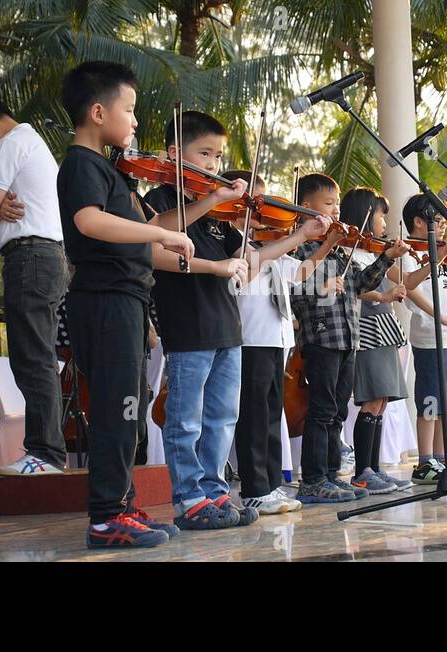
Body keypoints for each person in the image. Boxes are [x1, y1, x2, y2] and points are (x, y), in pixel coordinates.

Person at [57, 62, 240, 548]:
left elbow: (157, 221)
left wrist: (208, 202)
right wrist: (163, 233)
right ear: (98, 112)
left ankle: (121, 505)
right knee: (119, 411)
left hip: (128, 300)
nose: (136, 122)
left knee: (129, 411)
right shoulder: (80, 164)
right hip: (104, 299)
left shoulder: (112, 171)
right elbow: (90, 221)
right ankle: (104, 518)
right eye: (129, 110)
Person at [146, 111, 293, 530]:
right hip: (188, 327)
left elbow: (249, 259)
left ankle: (213, 493)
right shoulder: (160, 201)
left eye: (217, 156)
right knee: (186, 419)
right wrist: (218, 262)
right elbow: (157, 252)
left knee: (221, 419)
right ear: (175, 153)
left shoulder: (220, 213)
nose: (212, 165)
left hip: (229, 328)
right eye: (204, 154)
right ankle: (189, 499)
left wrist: (265, 246)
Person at [290, 173, 411, 503]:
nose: (336, 210)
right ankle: (313, 479)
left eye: (337, 204)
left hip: (348, 340)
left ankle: (331, 475)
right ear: (306, 208)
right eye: (328, 204)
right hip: (322, 339)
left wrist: (385, 259)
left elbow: (361, 285)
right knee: (322, 409)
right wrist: (323, 285)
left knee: (338, 412)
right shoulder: (301, 247)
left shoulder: (341, 251)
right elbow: (294, 293)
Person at [0, 95, 68, 476]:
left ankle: (46, 452)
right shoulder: (29, 142)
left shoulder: (9, 144)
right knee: (34, 355)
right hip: (42, 256)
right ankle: (46, 450)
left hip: (31, 258)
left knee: (33, 357)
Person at [225, 169, 336, 515]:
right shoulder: (238, 244)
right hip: (250, 339)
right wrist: (297, 237)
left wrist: (326, 243)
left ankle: (271, 485)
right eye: (254, 205)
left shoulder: (270, 245)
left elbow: (301, 274)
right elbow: (251, 269)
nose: (264, 212)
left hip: (277, 339)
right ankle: (254, 487)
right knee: (255, 416)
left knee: (273, 414)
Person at [399, 194, 447, 485]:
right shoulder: (409, 252)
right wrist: (439, 257)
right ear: (419, 221)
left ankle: (444, 461)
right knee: (431, 402)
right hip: (430, 337)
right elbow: (409, 288)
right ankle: (424, 463)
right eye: (439, 220)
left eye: (445, 221)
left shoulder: (446, 255)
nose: (444, 226)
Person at [338, 188, 413, 495]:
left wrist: (437, 257)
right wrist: (384, 295)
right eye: (381, 214)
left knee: (382, 401)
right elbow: (355, 287)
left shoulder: (372, 251)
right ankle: (362, 471)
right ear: (366, 214)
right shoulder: (350, 251)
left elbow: (407, 282)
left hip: (383, 326)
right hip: (367, 327)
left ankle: (375, 468)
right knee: (371, 398)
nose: (384, 221)